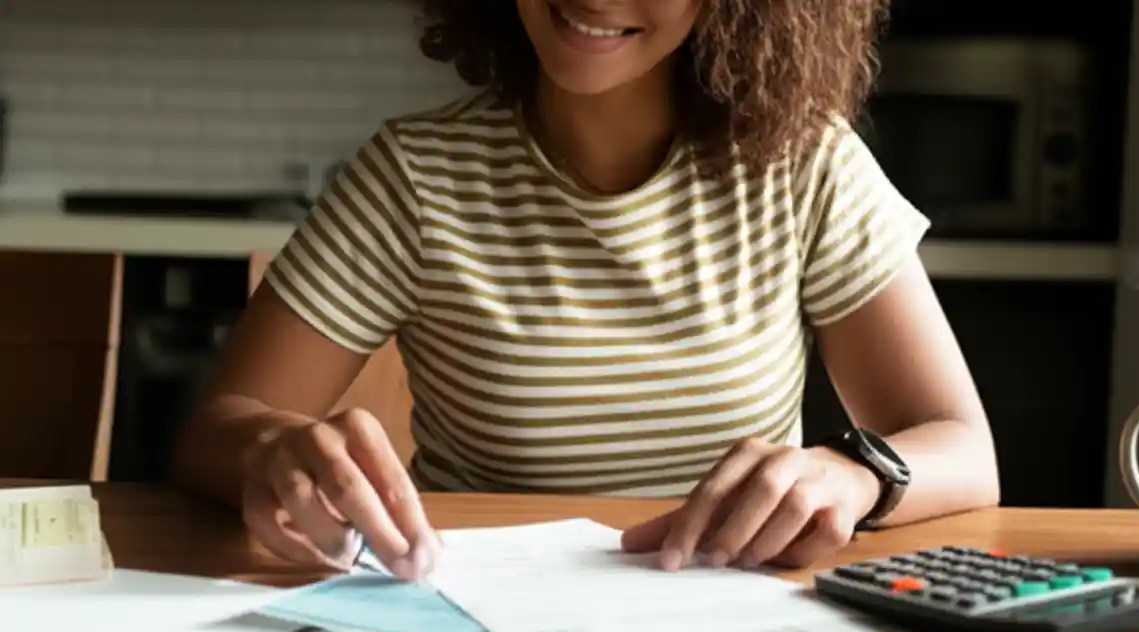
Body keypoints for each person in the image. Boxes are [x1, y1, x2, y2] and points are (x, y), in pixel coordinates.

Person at [173, 0, 999, 582]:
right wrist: (273, 451)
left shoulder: (805, 166)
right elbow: (217, 428)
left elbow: (963, 449)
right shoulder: (417, 179)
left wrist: (851, 475)